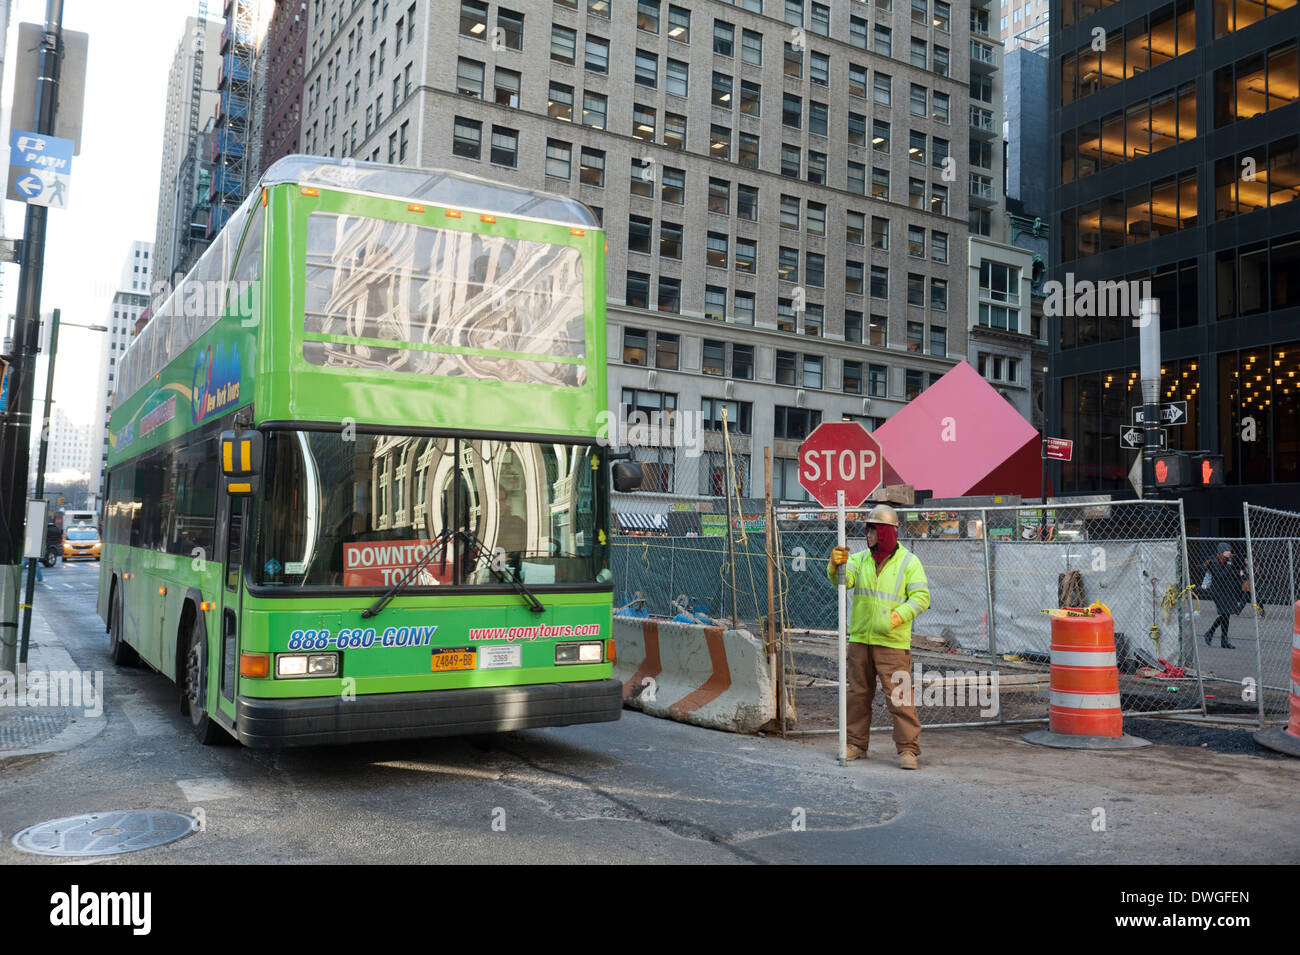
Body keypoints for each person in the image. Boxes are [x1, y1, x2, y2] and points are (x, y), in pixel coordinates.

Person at [827, 504, 931, 770]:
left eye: (873, 529)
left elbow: (921, 598)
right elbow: (844, 581)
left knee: (899, 697)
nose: (868, 534)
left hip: (893, 643)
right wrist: (834, 566)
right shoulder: (860, 559)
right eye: (867, 529)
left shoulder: (909, 562)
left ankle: (908, 749)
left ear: (886, 532)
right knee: (858, 695)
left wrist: (897, 617)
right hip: (861, 640)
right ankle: (856, 745)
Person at [1201, 542, 1246, 649]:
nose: (1230, 553)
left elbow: (1230, 574)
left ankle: (1222, 639)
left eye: (1230, 551)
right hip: (1218, 592)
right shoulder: (1213, 562)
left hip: (1228, 591)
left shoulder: (1228, 561)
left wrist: (1239, 573)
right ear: (1221, 552)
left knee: (1227, 615)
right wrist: (1229, 565)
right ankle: (1211, 633)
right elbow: (1221, 576)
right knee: (1224, 614)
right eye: (1227, 551)